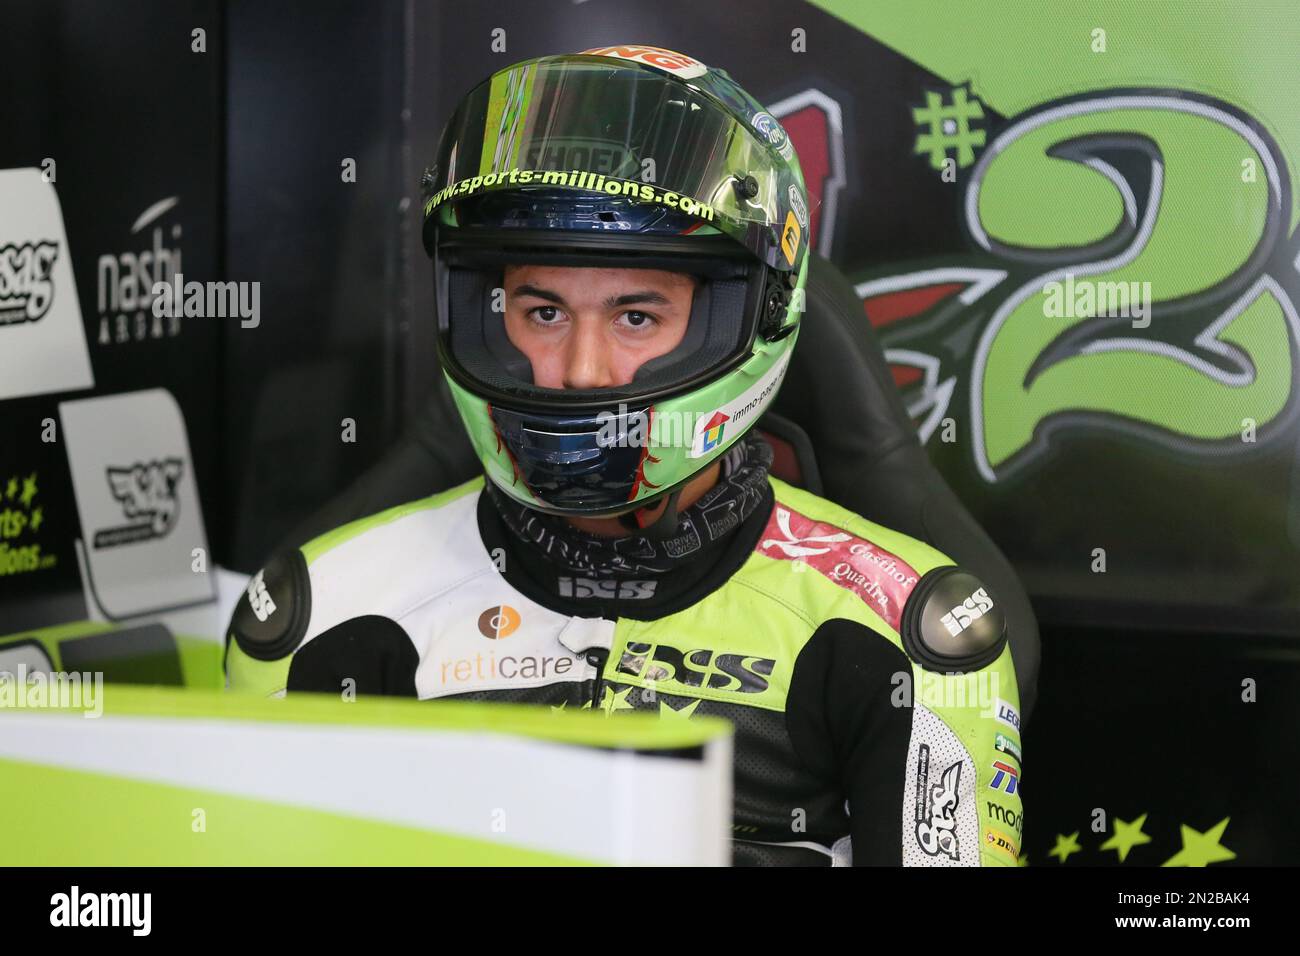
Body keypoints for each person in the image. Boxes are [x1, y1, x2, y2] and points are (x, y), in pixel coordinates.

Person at [226, 45, 1025, 866]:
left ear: (742, 320)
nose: (580, 370)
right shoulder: (328, 612)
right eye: (541, 313)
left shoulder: (897, 626)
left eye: (636, 317)